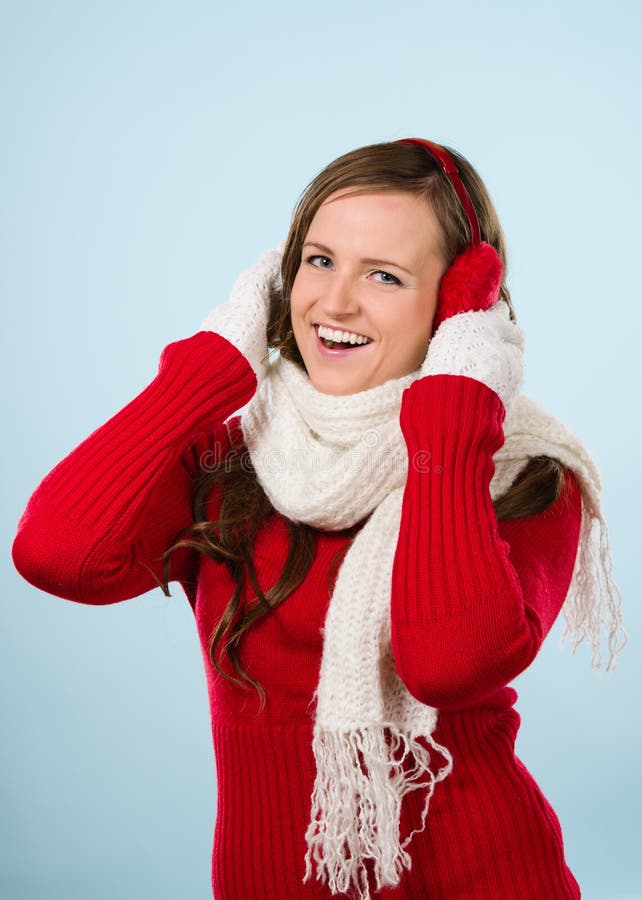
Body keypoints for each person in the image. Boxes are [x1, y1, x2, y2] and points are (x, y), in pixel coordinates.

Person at [12, 137, 626, 900]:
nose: (335, 303)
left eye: (385, 275)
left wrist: (454, 412)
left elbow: (446, 661)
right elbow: (56, 556)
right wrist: (210, 365)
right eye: (320, 260)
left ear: (457, 308)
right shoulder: (226, 460)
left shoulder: (523, 475)